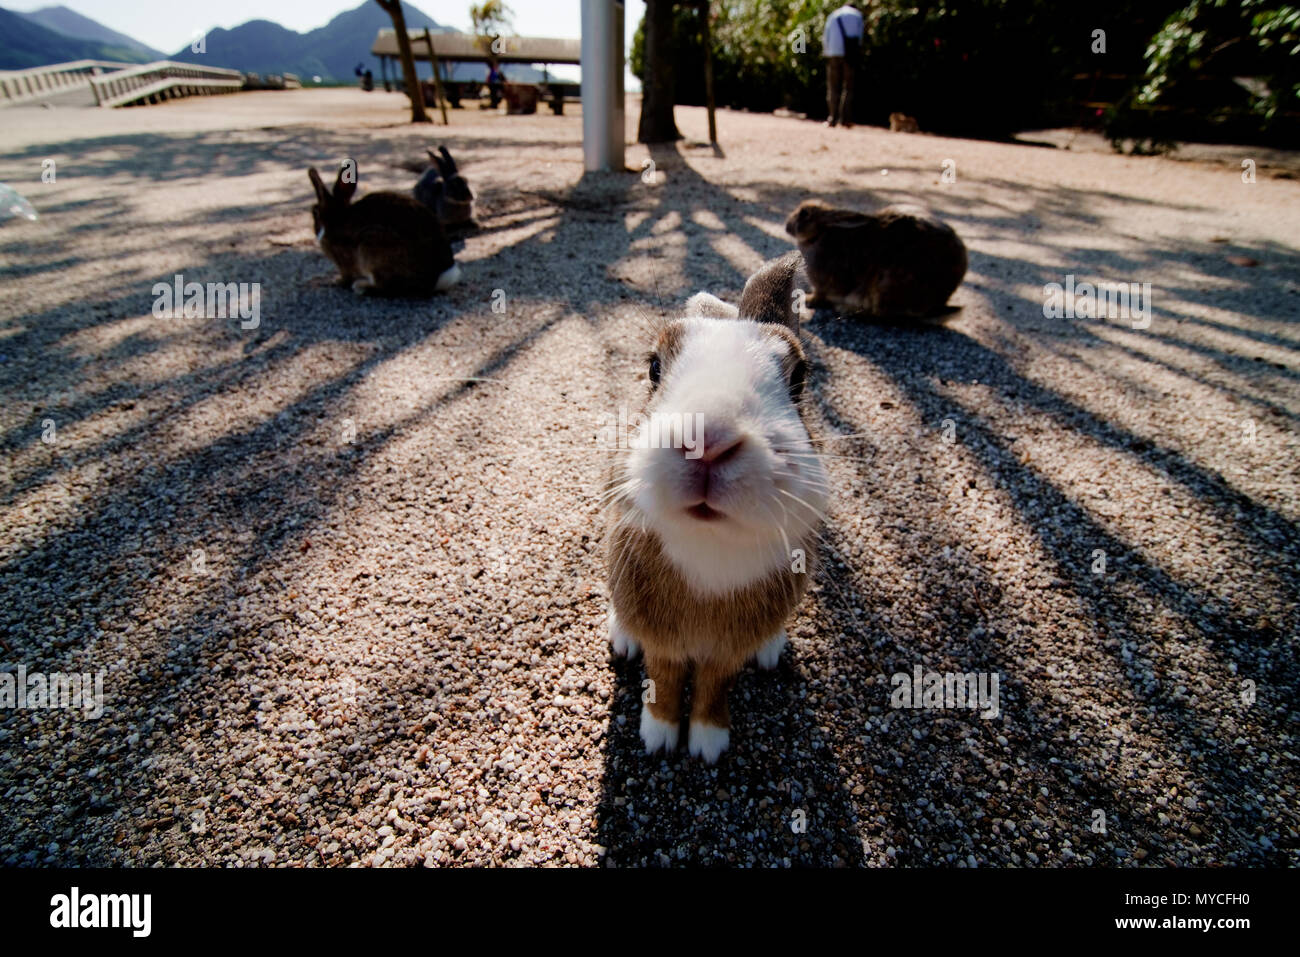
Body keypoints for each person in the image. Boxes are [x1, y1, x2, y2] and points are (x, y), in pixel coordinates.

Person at [822, 3, 865, 128]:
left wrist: (826, 52)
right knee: (848, 87)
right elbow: (860, 37)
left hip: (834, 52)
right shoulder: (857, 15)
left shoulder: (834, 15)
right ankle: (845, 120)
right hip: (850, 54)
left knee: (833, 86)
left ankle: (832, 118)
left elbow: (826, 36)